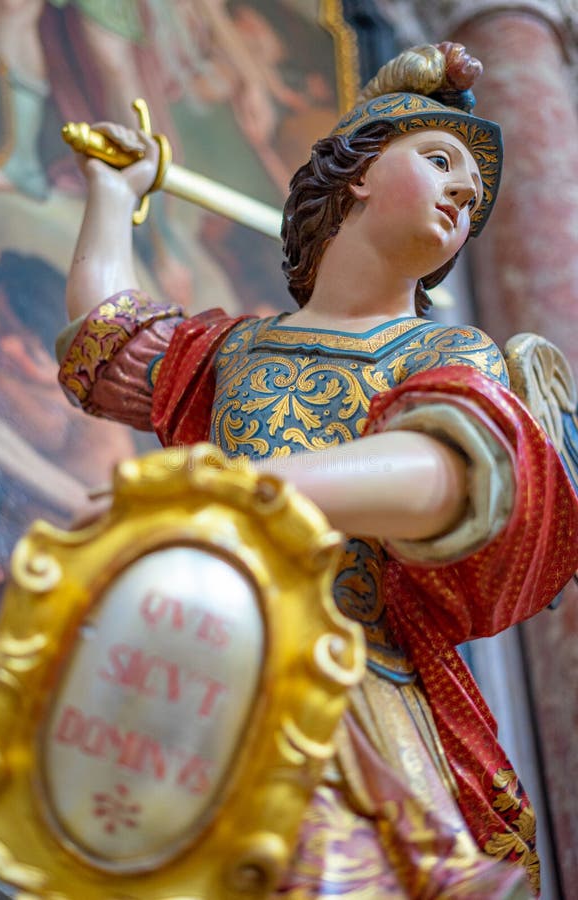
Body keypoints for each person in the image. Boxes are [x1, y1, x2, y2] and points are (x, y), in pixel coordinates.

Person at [57, 43, 578, 898]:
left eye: (473, 196)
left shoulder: (445, 351)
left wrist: (235, 495)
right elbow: (110, 337)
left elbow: (456, 469)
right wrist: (116, 191)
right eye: (440, 161)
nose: (461, 193)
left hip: (350, 688)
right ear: (360, 175)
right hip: (192, 670)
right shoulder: (236, 349)